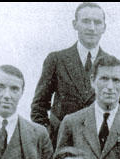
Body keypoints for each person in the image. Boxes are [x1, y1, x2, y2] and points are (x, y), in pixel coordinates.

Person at [31, 2, 112, 148]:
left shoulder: (111, 65)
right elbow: (39, 106)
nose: (92, 28)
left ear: (104, 27)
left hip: (97, 144)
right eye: (86, 21)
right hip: (61, 142)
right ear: (75, 24)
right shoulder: (56, 59)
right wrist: (48, 137)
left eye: (97, 22)